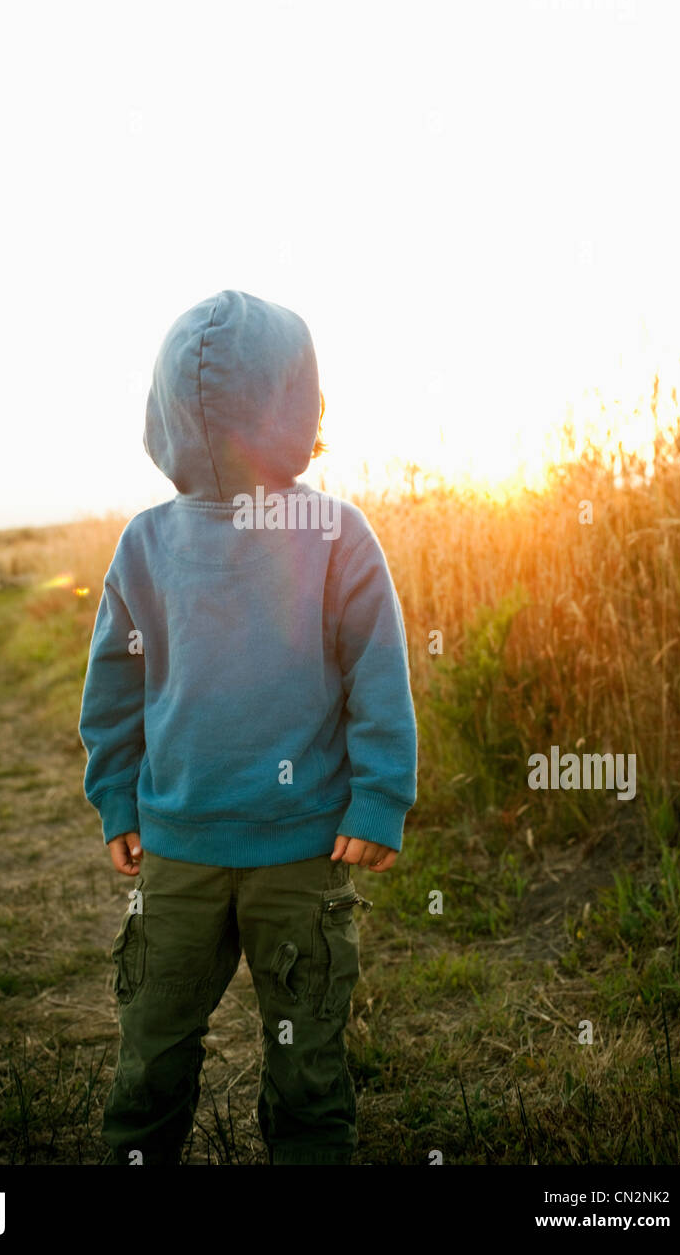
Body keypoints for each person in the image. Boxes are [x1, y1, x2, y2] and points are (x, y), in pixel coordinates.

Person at [78, 288, 417, 1165]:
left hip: (302, 858)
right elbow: (114, 684)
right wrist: (117, 796)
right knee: (152, 1054)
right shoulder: (145, 547)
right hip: (178, 851)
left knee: (307, 1067)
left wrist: (379, 800)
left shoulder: (335, 536)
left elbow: (377, 673)